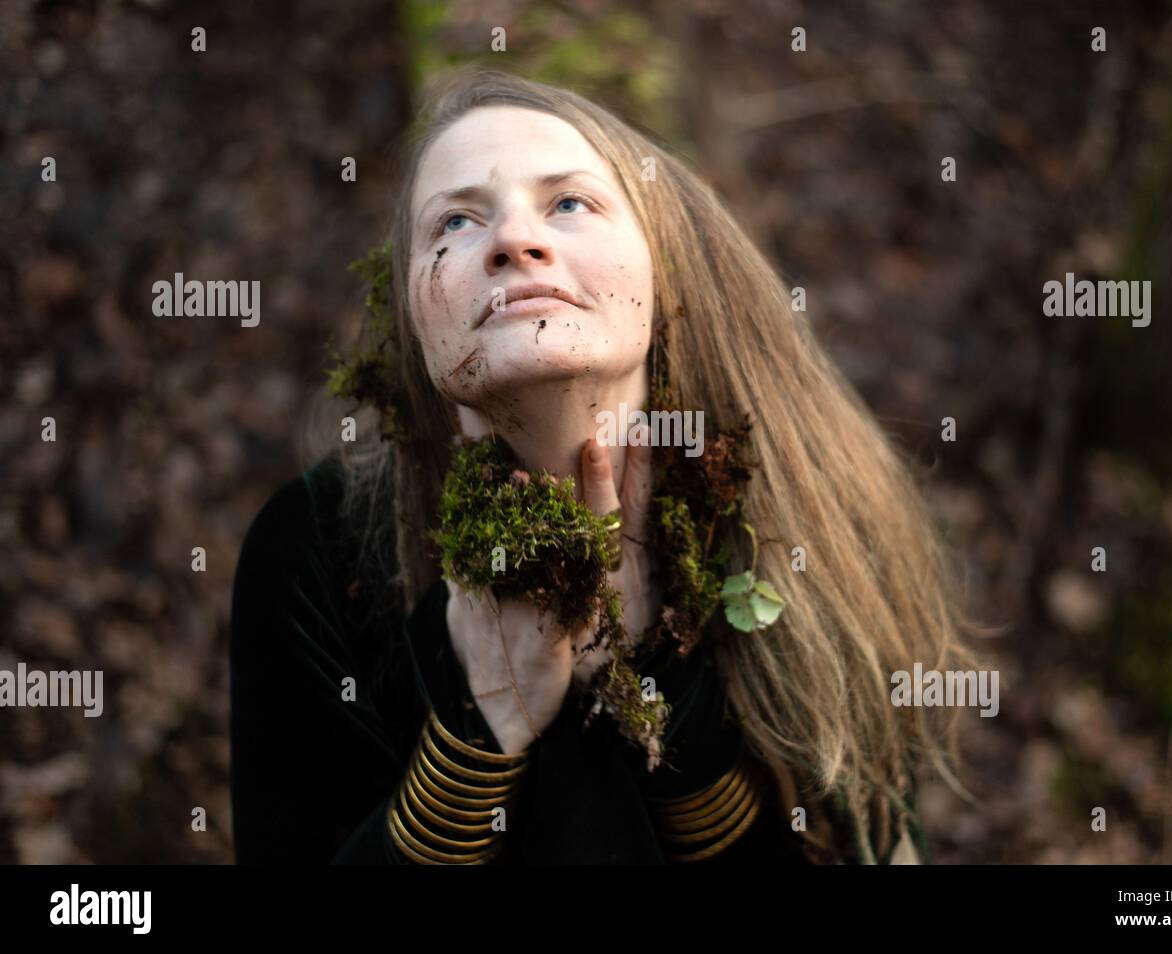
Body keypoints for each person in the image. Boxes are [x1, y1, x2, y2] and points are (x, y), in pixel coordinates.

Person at [229, 68, 979, 865]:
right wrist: (478, 736)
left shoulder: (798, 512)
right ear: (414, 314)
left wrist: (656, 676)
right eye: (454, 222)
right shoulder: (318, 541)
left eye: (569, 203)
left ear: (664, 266)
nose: (515, 242)